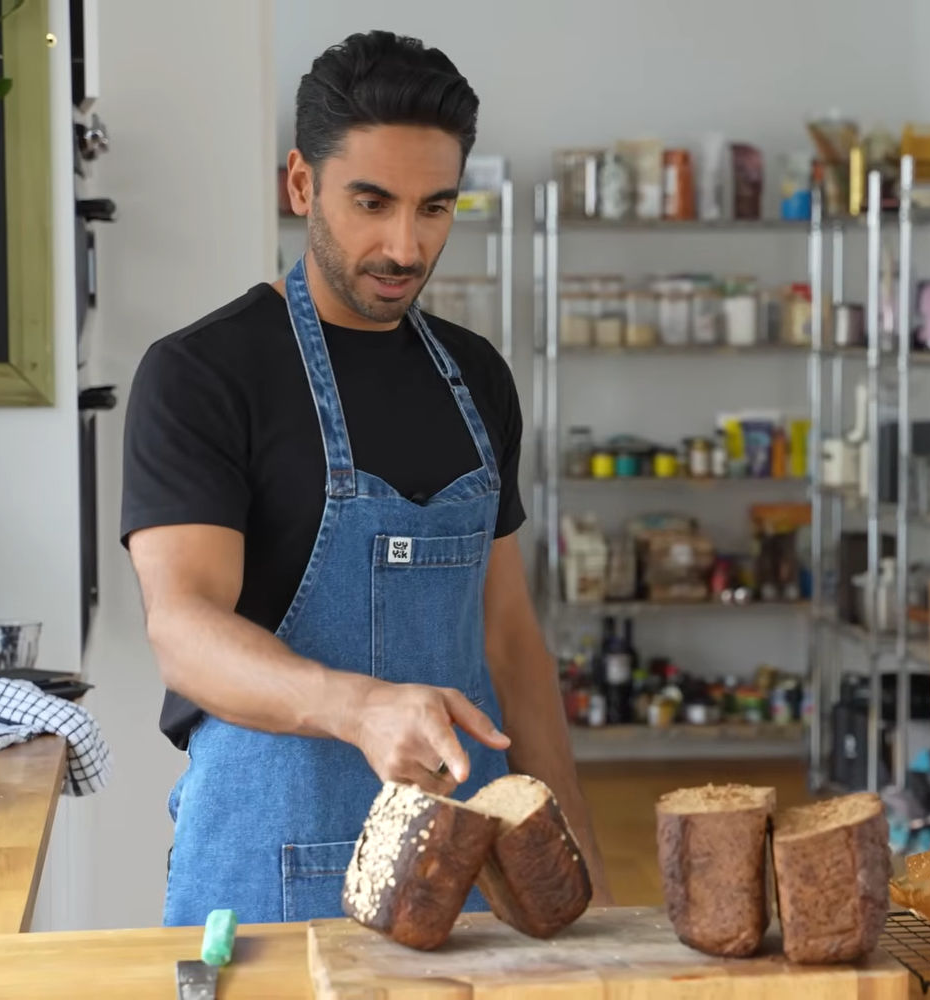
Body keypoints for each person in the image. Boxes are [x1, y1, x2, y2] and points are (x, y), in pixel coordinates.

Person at [122, 31, 609, 925]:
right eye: (372, 202)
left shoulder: (477, 378)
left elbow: (508, 641)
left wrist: (579, 865)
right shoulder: (203, 373)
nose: (405, 245)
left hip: (474, 869)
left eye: (435, 208)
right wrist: (361, 709)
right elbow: (183, 628)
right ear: (302, 184)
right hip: (268, 870)